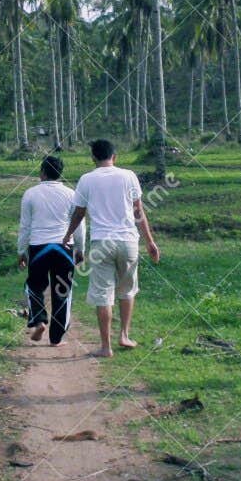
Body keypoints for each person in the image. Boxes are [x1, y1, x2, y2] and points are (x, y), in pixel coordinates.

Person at [63, 139, 160, 358]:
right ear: (114, 156)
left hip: (101, 243)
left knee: (103, 294)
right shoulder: (129, 176)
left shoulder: (86, 179)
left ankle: (105, 347)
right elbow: (139, 212)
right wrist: (150, 242)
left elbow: (79, 214)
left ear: (93, 158)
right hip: (128, 241)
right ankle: (124, 335)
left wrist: (68, 235)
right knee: (127, 290)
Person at [17, 155, 85, 346]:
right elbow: (79, 223)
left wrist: (21, 251)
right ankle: (56, 338)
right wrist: (80, 248)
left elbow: (25, 226)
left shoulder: (30, 193)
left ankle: (39, 320)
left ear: (42, 173)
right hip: (64, 247)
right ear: (60, 173)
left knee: (34, 286)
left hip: (39, 247)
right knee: (63, 291)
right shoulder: (71, 194)